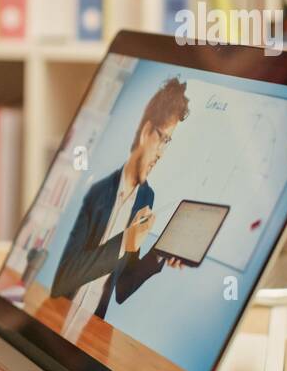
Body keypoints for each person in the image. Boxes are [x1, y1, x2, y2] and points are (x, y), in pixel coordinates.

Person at [49, 76, 192, 340]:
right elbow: (63, 278)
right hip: (54, 327)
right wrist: (126, 241)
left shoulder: (146, 197)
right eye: (162, 139)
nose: (161, 153)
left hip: (88, 339)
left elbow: (122, 287)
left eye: (168, 143)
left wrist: (160, 253)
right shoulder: (98, 192)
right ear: (146, 131)